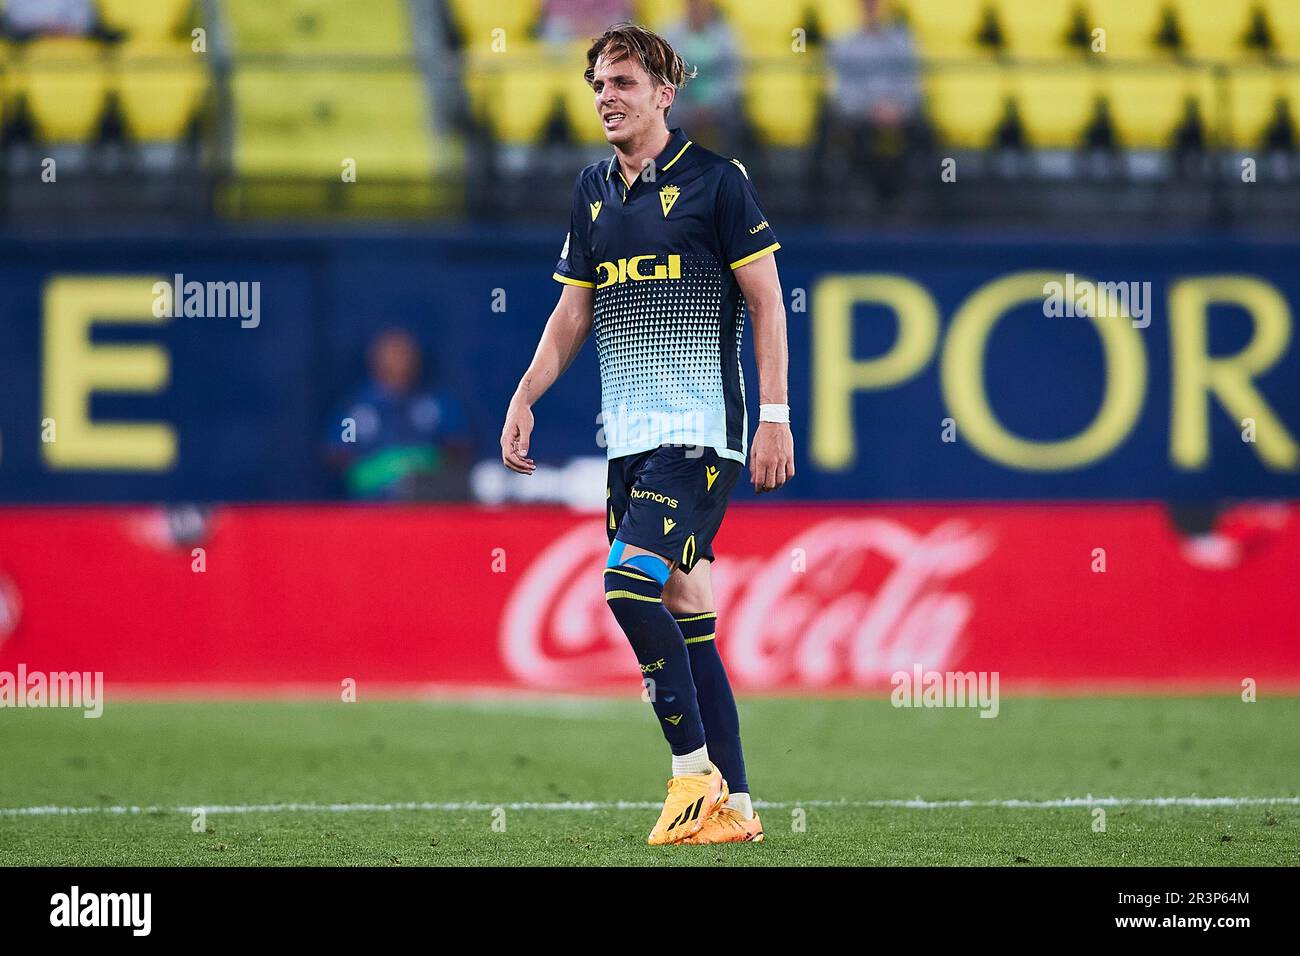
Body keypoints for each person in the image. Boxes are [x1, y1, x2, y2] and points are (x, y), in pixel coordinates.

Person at [500, 22, 794, 846]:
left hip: (699, 435)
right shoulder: (593, 190)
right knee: (685, 605)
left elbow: (768, 301)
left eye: (624, 83)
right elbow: (571, 313)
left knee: (626, 587)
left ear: (666, 94)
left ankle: (691, 777)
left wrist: (774, 416)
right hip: (628, 439)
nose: (607, 97)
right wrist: (525, 396)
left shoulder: (716, 183)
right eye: (598, 84)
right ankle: (735, 806)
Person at [330, 329, 471, 501]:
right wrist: (382, 469)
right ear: (375, 359)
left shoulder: (437, 404)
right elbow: (338, 456)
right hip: (371, 508)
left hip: (428, 505)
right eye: (392, 354)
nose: (399, 361)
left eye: (404, 354)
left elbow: (458, 448)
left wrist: (422, 461)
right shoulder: (355, 409)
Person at [661, 0, 742, 155]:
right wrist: (689, 109)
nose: (697, 9)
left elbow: (732, 76)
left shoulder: (726, 35)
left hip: (719, 106)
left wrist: (712, 106)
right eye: (693, 4)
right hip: (681, 107)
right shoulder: (670, 34)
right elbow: (666, 79)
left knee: (735, 122)